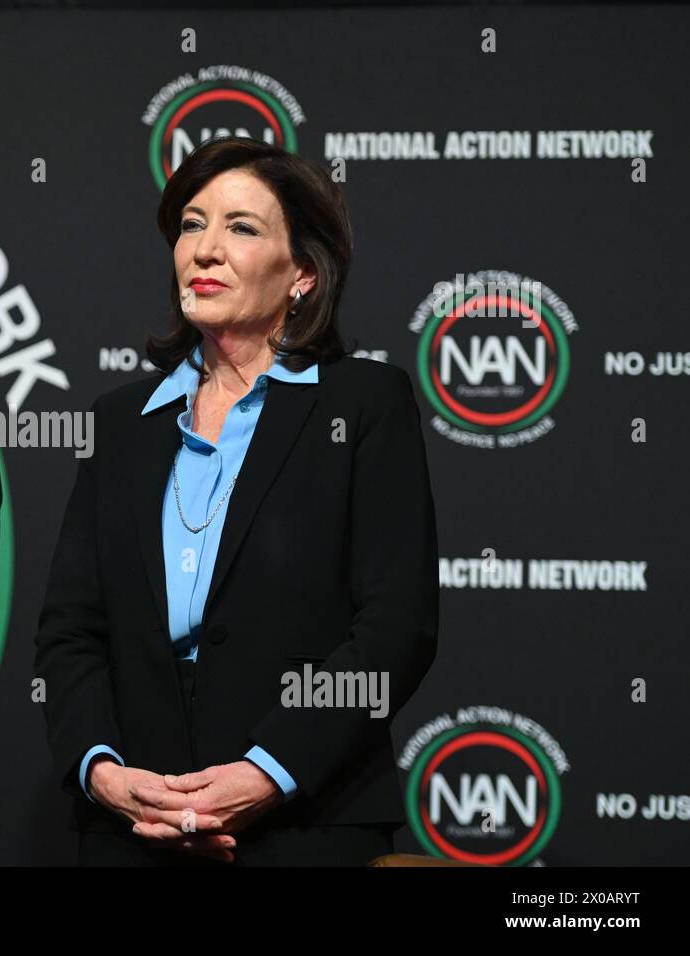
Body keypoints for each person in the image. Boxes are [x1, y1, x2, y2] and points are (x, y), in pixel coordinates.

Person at [34, 136, 438, 866]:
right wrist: (104, 772)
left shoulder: (363, 403)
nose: (205, 249)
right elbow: (71, 628)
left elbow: (395, 626)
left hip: (306, 819)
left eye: (241, 228)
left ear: (304, 274)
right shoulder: (120, 422)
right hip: (134, 826)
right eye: (192, 225)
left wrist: (270, 770)